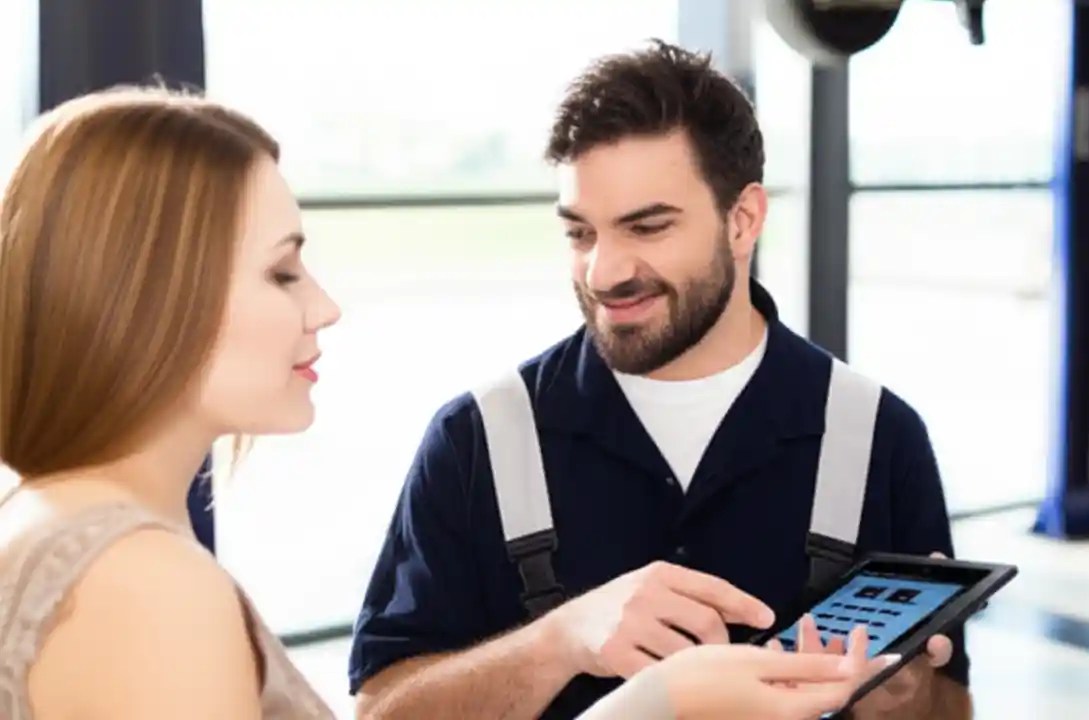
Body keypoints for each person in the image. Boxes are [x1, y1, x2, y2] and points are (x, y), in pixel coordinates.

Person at [0, 87, 889, 720]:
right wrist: (651, 706)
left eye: (646, 226)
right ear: (154, 297)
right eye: (281, 269)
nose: (324, 304)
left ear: (744, 220)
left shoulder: (46, 524)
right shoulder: (149, 588)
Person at [349, 40, 973, 720]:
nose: (604, 272)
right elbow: (382, 710)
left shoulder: (881, 434)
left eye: (647, 227)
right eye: (580, 233)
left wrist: (903, 701)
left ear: (743, 220)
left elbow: (949, 709)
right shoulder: (476, 440)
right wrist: (558, 643)